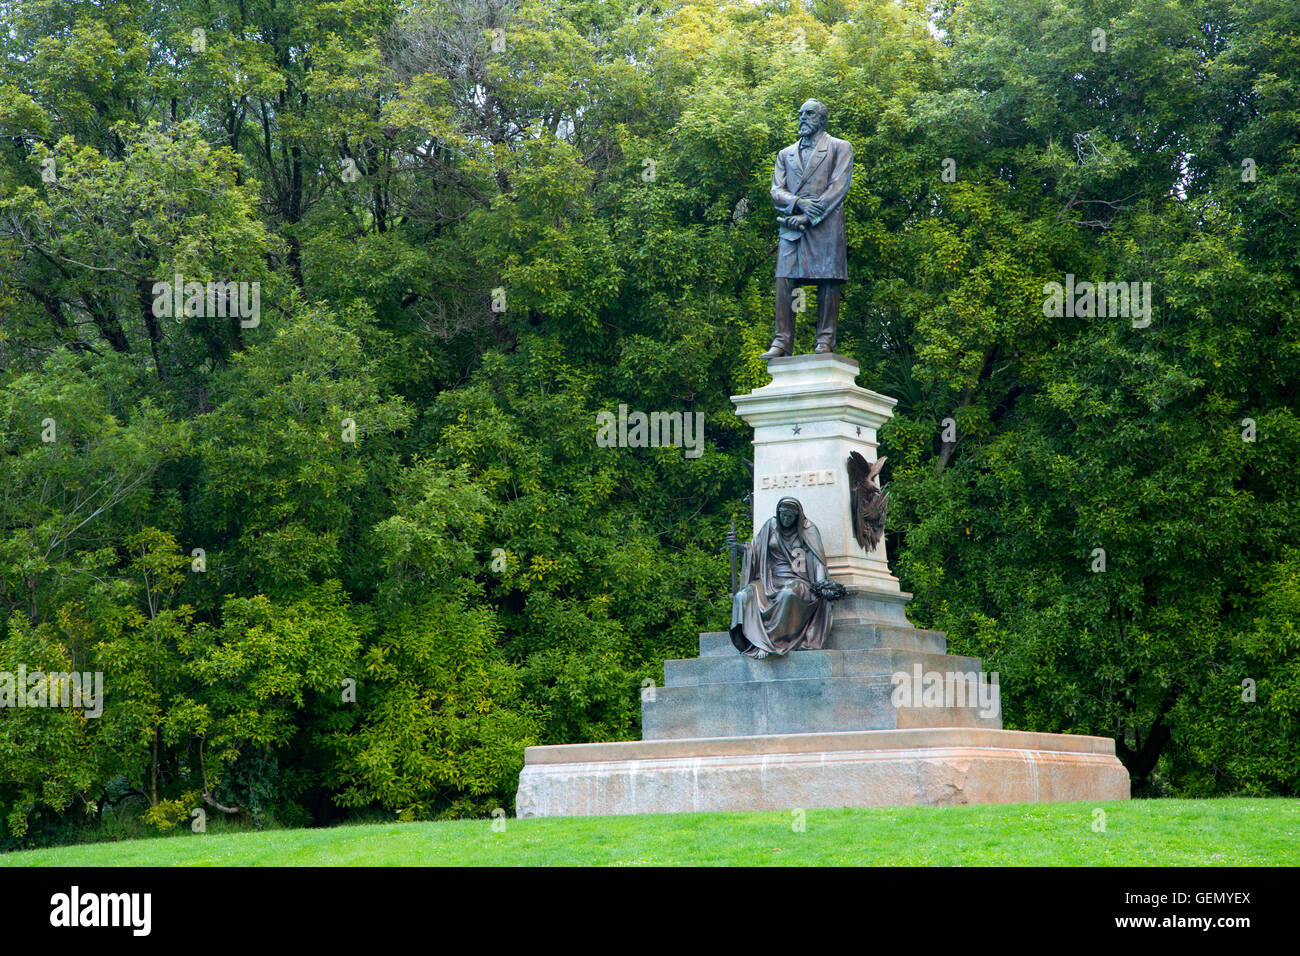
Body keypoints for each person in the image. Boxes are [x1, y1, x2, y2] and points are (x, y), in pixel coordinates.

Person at [762, 99, 854, 359]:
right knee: (785, 279)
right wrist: (797, 204)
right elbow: (776, 190)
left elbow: (838, 187)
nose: (802, 118)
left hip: (824, 225)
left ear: (822, 119)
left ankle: (825, 341)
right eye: (800, 114)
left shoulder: (839, 148)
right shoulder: (785, 154)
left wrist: (808, 217)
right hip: (791, 229)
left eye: (809, 114)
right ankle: (781, 342)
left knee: (827, 281)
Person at [730, 497, 835, 658]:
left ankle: (771, 644)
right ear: (778, 514)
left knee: (788, 594)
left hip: (799, 580)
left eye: (790, 516)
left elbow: (818, 561)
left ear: (797, 516)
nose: (786, 519)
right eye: (783, 515)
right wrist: (738, 548)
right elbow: (754, 550)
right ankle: (754, 642)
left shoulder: (808, 530)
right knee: (743, 595)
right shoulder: (770, 526)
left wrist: (822, 585)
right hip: (769, 580)